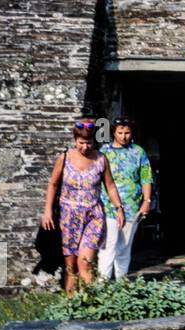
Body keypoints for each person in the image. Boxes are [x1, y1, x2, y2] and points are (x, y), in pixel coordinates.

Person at [41, 120, 124, 293]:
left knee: (85, 262)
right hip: (68, 217)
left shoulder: (101, 159)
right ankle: (72, 303)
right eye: (81, 143)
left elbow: (110, 186)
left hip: (93, 216)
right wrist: (47, 211)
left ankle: (88, 301)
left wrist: (119, 207)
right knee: (71, 265)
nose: (85, 147)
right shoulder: (64, 158)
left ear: (94, 141)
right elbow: (53, 184)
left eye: (89, 143)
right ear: (75, 140)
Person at [97, 117, 152, 280]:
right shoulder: (104, 151)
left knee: (124, 246)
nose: (123, 136)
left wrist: (147, 201)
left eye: (127, 133)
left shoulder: (138, 152)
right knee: (107, 245)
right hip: (108, 205)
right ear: (114, 132)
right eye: (120, 132)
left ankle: (122, 283)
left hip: (131, 205)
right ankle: (102, 283)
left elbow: (146, 177)